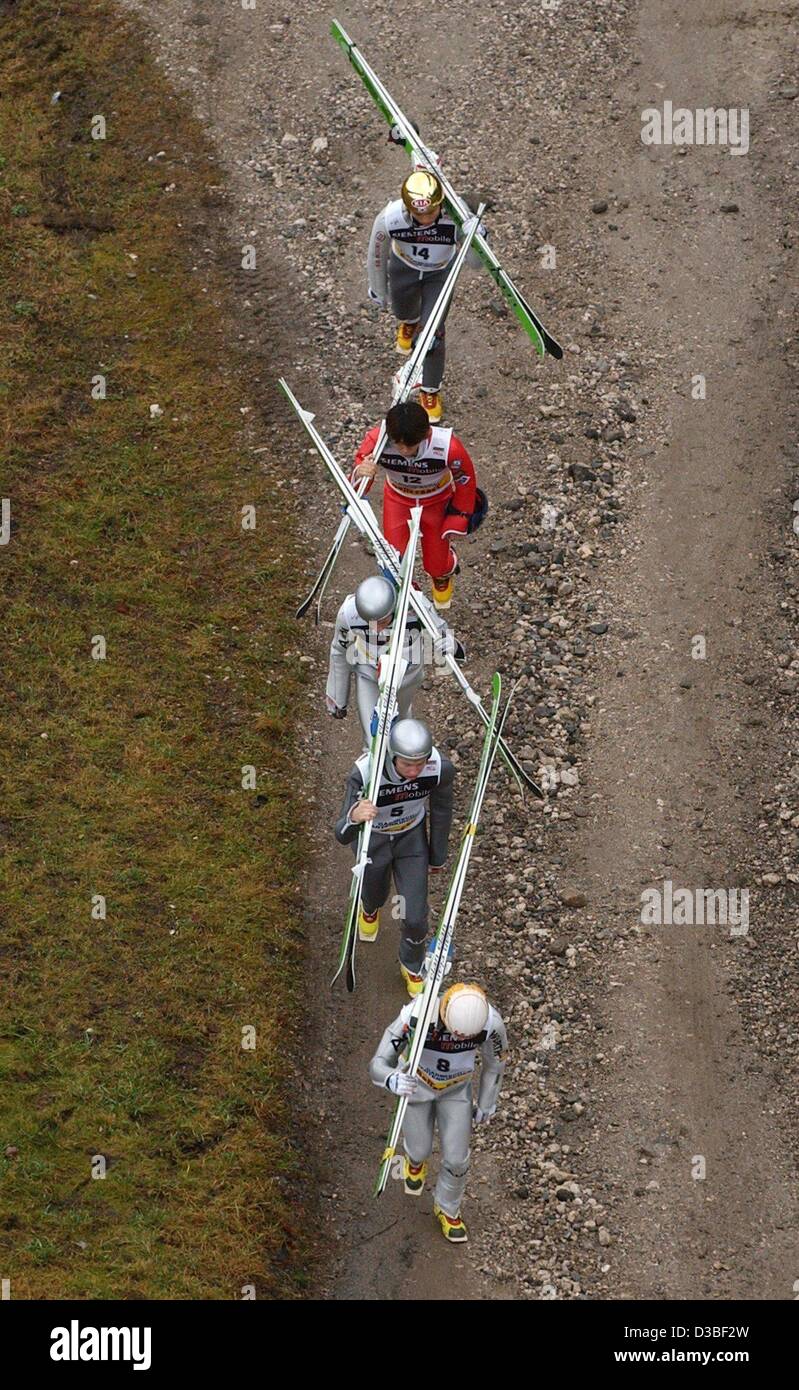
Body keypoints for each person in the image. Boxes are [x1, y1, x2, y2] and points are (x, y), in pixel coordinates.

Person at [369, 981, 507, 1243]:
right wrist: (391, 1078)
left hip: (456, 1090)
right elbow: (378, 1061)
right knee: (419, 1149)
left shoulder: (492, 1024)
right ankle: (415, 1161)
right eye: (456, 1034)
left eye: (467, 1039)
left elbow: (495, 1064)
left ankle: (447, 1207)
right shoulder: (416, 1013)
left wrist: (487, 1102)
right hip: (417, 1086)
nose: (460, 1041)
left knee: (457, 1159)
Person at [334, 718, 453, 991]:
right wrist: (354, 816)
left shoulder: (439, 769)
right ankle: (370, 907)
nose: (413, 772)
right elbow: (341, 833)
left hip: (411, 841)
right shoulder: (365, 772)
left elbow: (442, 811)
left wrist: (437, 857)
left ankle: (411, 964)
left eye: (419, 763)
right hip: (374, 840)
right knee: (375, 891)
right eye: (406, 764)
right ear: (391, 756)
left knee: (414, 915)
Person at [367, 168, 484, 423]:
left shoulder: (456, 215)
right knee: (403, 309)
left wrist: (477, 237)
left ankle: (430, 390)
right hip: (403, 269)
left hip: (439, 275)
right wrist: (378, 288)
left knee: (433, 334)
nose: (427, 220)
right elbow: (377, 251)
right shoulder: (391, 217)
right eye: (420, 215)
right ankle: (408, 322)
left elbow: (475, 263)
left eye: (432, 212)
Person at [352, 400, 487, 611]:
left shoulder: (447, 446)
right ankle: (410, 596)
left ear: (425, 435)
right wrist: (362, 472)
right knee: (393, 562)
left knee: (435, 563)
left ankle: (445, 568)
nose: (404, 450)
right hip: (398, 501)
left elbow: (465, 479)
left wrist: (460, 515)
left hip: (436, 502)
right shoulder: (377, 440)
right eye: (398, 444)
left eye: (411, 445)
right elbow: (357, 481)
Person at [325, 574, 463, 744]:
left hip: (407, 676)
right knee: (373, 738)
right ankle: (374, 765)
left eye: (382, 621)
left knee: (400, 730)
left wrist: (451, 645)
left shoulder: (416, 605)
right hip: (369, 675)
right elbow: (339, 650)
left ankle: (402, 761)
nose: (376, 628)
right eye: (369, 621)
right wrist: (337, 696)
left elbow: (441, 633)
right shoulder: (348, 613)